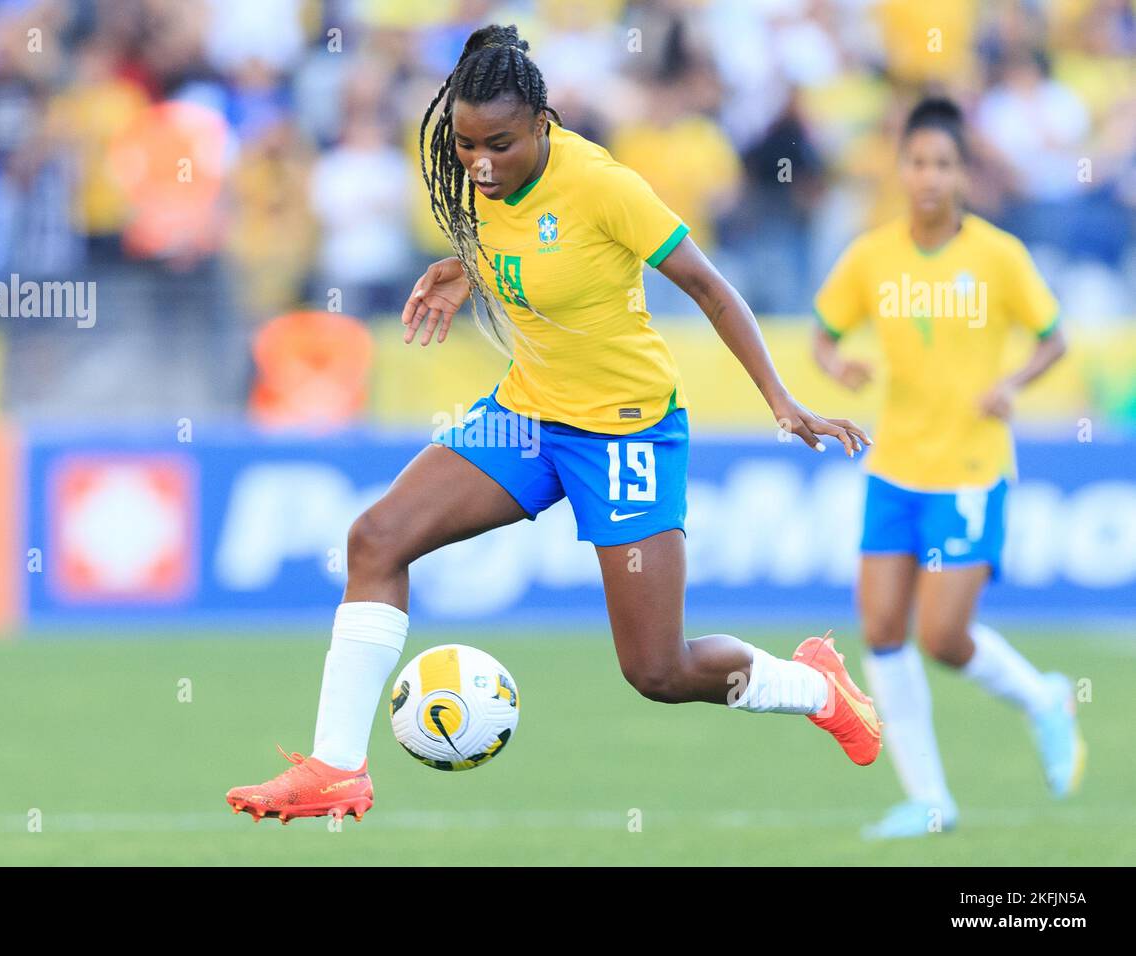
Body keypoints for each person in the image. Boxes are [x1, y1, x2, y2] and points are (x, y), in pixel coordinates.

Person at [227, 25, 876, 825]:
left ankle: (815, 685)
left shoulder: (604, 186)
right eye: (465, 144)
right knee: (376, 540)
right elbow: (527, 245)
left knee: (659, 671)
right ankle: (336, 768)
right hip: (527, 416)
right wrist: (466, 270)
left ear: (544, 123)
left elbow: (709, 286)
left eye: (498, 143)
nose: (479, 163)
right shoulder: (471, 174)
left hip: (625, 435)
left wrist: (780, 399)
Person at [812, 97, 1084, 840]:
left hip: (969, 469)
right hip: (894, 466)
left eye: (943, 163)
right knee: (880, 627)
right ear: (901, 169)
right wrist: (840, 365)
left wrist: (1012, 386)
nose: (929, 176)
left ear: (964, 174)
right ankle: (930, 802)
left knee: (943, 637)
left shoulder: (997, 256)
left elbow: (1053, 336)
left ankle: (1042, 697)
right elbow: (822, 334)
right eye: (917, 161)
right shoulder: (872, 255)